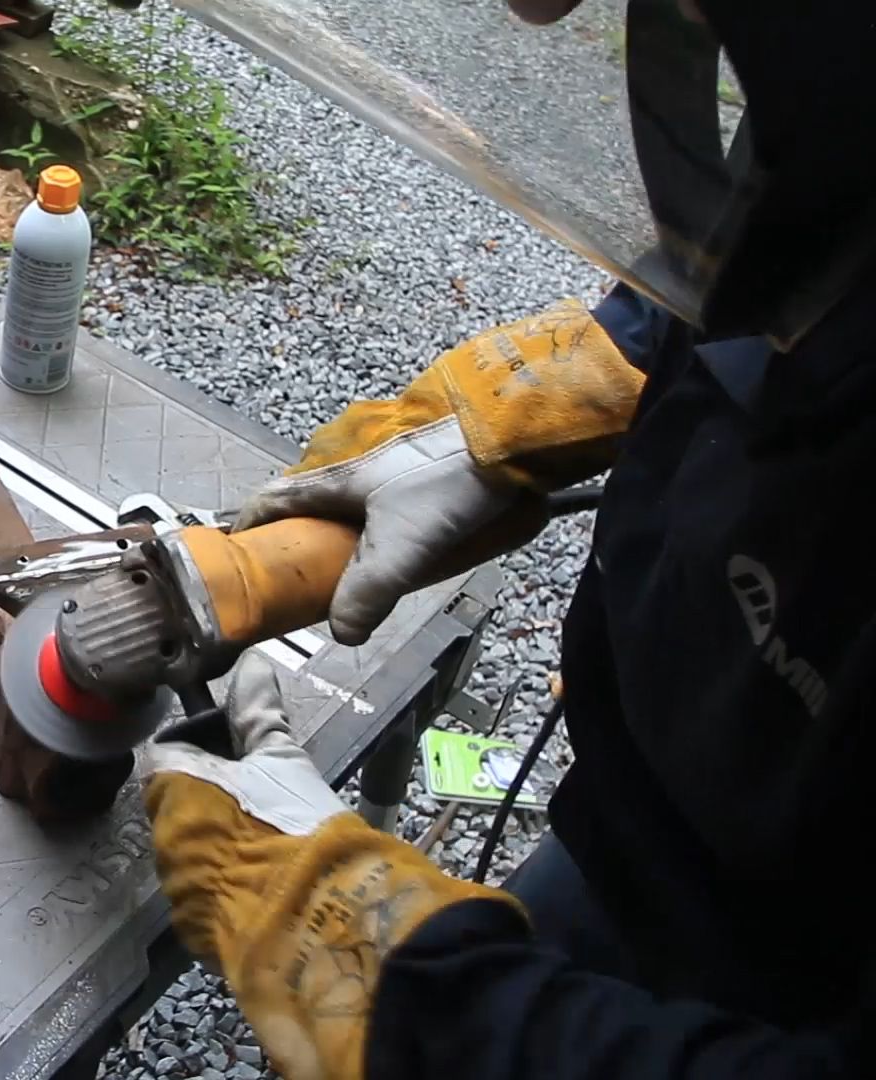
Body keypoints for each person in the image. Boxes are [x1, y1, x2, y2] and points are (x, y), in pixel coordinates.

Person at [140, 0, 876, 1075]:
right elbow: (771, 245)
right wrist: (583, 382)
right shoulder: (836, 95)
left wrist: (395, 986)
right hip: (645, 826)